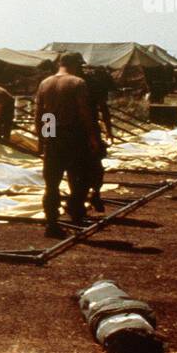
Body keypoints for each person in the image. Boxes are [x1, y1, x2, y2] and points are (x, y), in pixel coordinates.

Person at [34, 53, 99, 239]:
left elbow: (41, 116)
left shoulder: (45, 83)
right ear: (76, 65)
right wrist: (93, 138)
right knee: (78, 180)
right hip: (74, 136)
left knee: (51, 184)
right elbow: (85, 113)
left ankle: (52, 223)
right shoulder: (77, 83)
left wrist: (44, 141)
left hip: (53, 136)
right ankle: (76, 215)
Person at [83, 66, 116, 213]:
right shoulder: (88, 84)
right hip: (84, 131)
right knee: (92, 167)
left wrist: (48, 136)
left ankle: (54, 220)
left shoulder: (48, 83)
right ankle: (82, 202)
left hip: (63, 133)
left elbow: (46, 113)